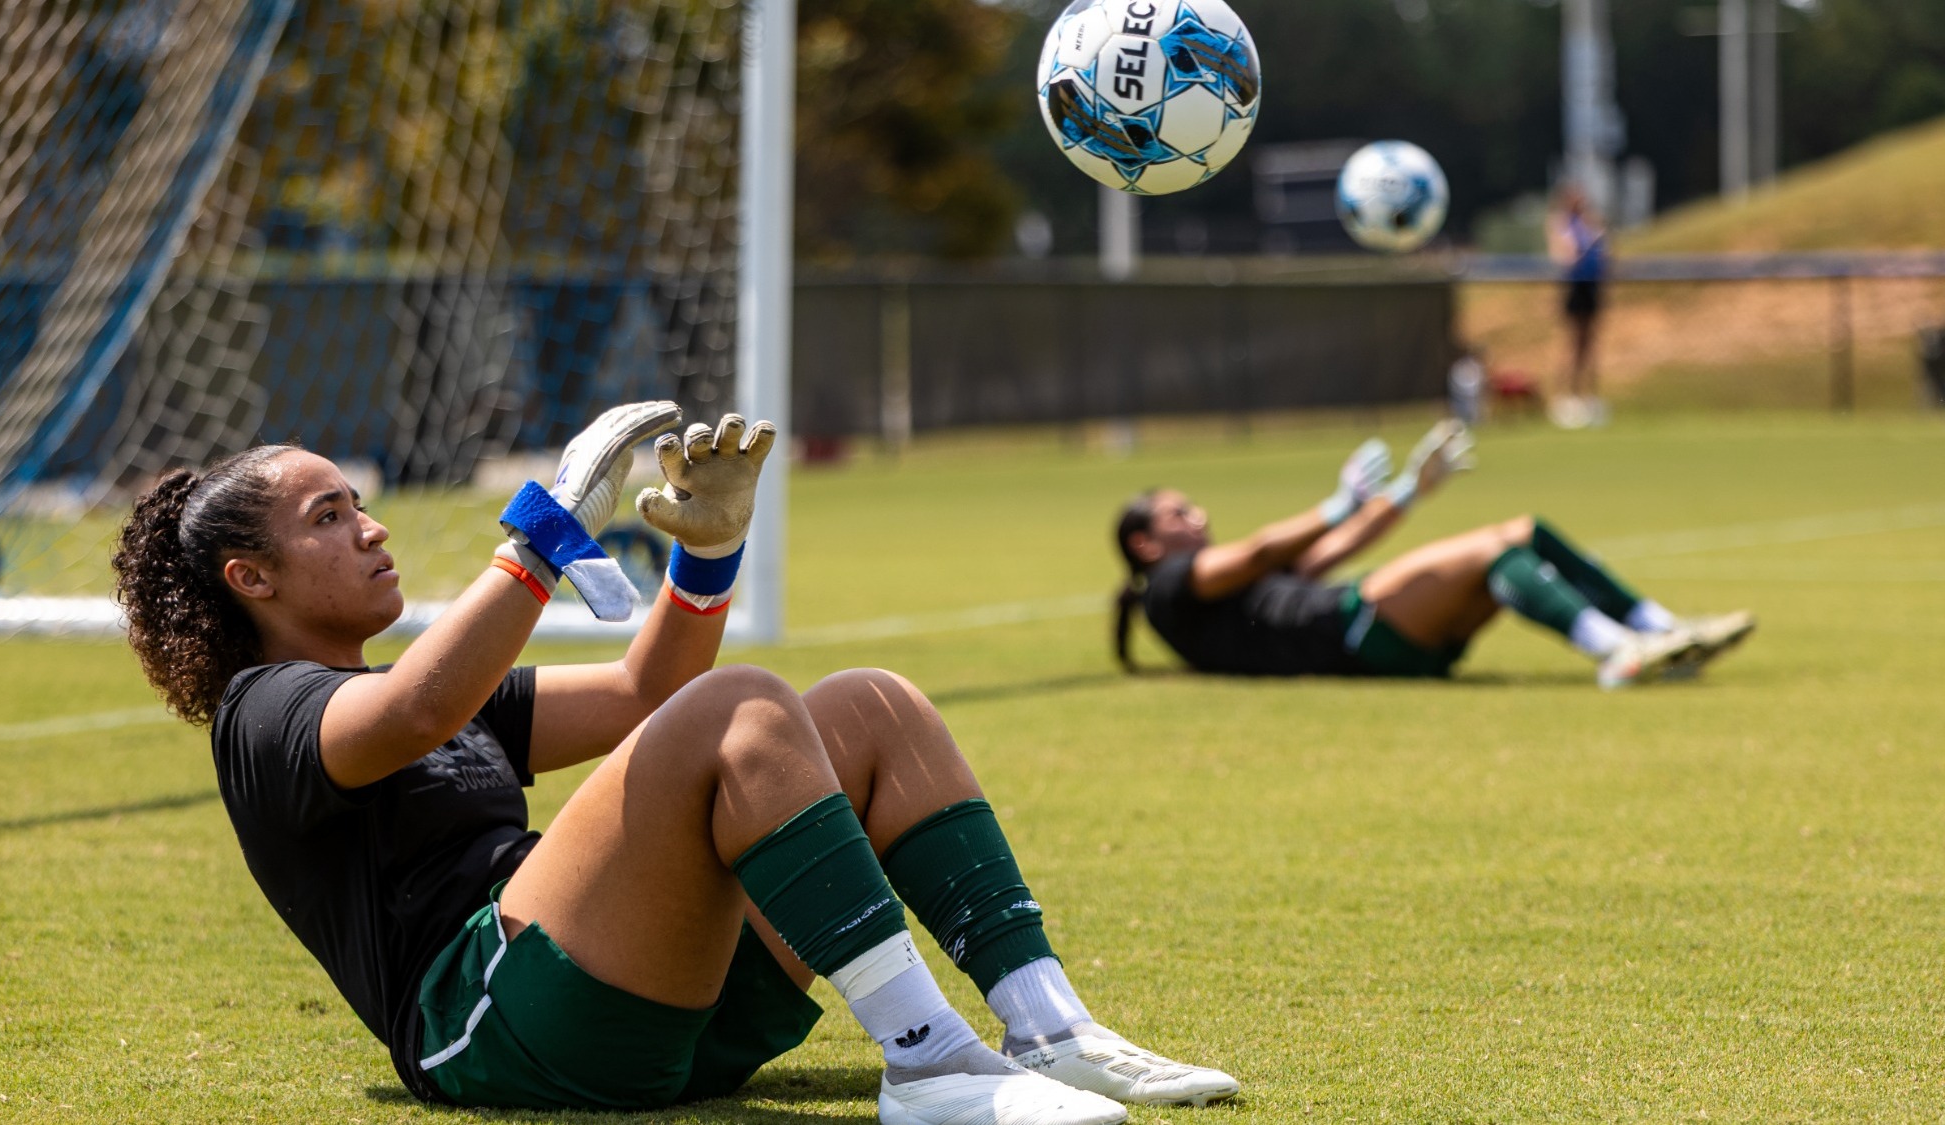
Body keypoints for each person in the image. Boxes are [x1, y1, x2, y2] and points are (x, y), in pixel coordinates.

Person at [111, 402, 1238, 1123]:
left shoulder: (424, 690)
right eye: (327, 516)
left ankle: (1047, 1026)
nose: (370, 529)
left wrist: (705, 556)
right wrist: (542, 537)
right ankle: (925, 1058)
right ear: (249, 580)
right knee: (739, 703)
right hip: (497, 1036)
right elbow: (413, 713)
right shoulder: (262, 712)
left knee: (868, 706)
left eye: (359, 504)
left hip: (658, 1017)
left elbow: (646, 695)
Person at [1112, 421, 1754, 689]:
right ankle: (1622, 648)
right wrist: (1335, 504)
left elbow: (1320, 553)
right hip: (1351, 631)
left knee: (1513, 548)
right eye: (1178, 514)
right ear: (1146, 544)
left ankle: (1654, 631)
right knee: (1507, 538)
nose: (1197, 519)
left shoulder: (1219, 591)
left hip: (1373, 638)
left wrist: (1403, 494)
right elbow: (1257, 553)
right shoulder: (1169, 587)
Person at [1546, 184, 1611, 429]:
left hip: (1592, 286)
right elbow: (1564, 254)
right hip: (1575, 287)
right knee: (1572, 343)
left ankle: (1589, 398)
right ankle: (1565, 398)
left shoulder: (1590, 222)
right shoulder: (1561, 223)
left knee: (1590, 344)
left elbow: (1605, 252)